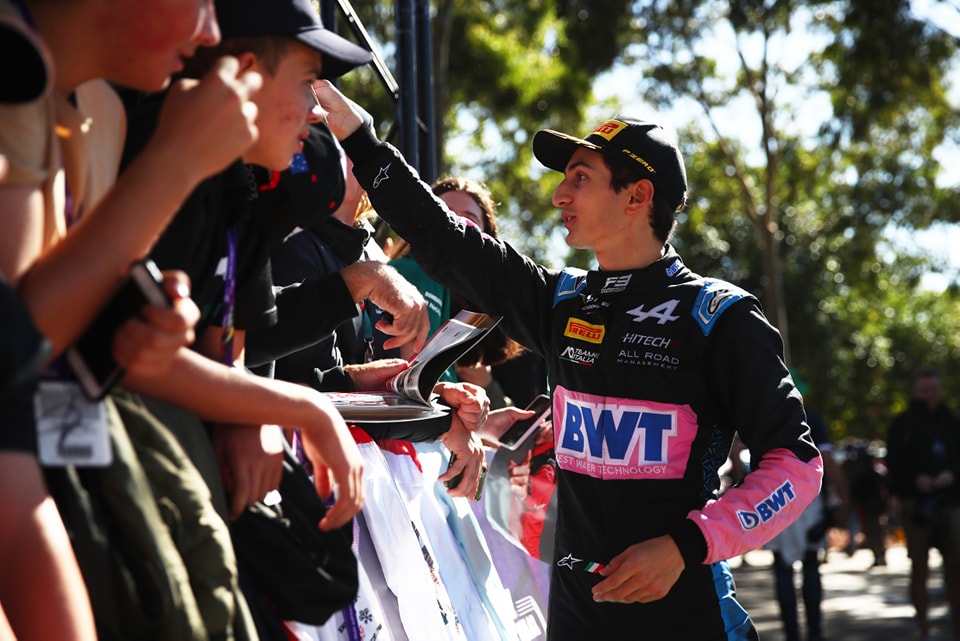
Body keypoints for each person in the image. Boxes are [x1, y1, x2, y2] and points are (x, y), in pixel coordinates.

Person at [316, 82, 825, 640]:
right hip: (576, 616)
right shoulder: (561, 301)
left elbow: (796, 467)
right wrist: (363, 142)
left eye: (580, 178)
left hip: (689, 615)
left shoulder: (717, 317)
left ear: (637, 197)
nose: (560, 195)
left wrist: (688, 544)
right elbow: (446, 240)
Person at [0, 0, 247, 638]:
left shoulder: (98, 110)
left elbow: (44, 328)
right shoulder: (12, 70)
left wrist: (131, 326)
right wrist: (176, 163)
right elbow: (14, 349)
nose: (213, 33)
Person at [886, 367, 960, 641]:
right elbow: (893, 461)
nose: (929, 394)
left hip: (951, 502)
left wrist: (951, 474)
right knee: (919, 567)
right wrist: (917, 479)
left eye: (933, 388)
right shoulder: (902, 424)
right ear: (915, 391)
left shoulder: (952, 421)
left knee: (955, 568)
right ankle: (924, 630)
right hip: (916, 504)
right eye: (924, 389)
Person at [766, 409, 849, 641]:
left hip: (772, 498)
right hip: (806, 497)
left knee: (783, 569)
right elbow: (828, 461)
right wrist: (845, 499)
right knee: (810, 564)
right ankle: (814, 633)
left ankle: (792, 635)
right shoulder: (809, 417)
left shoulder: (764, 415)